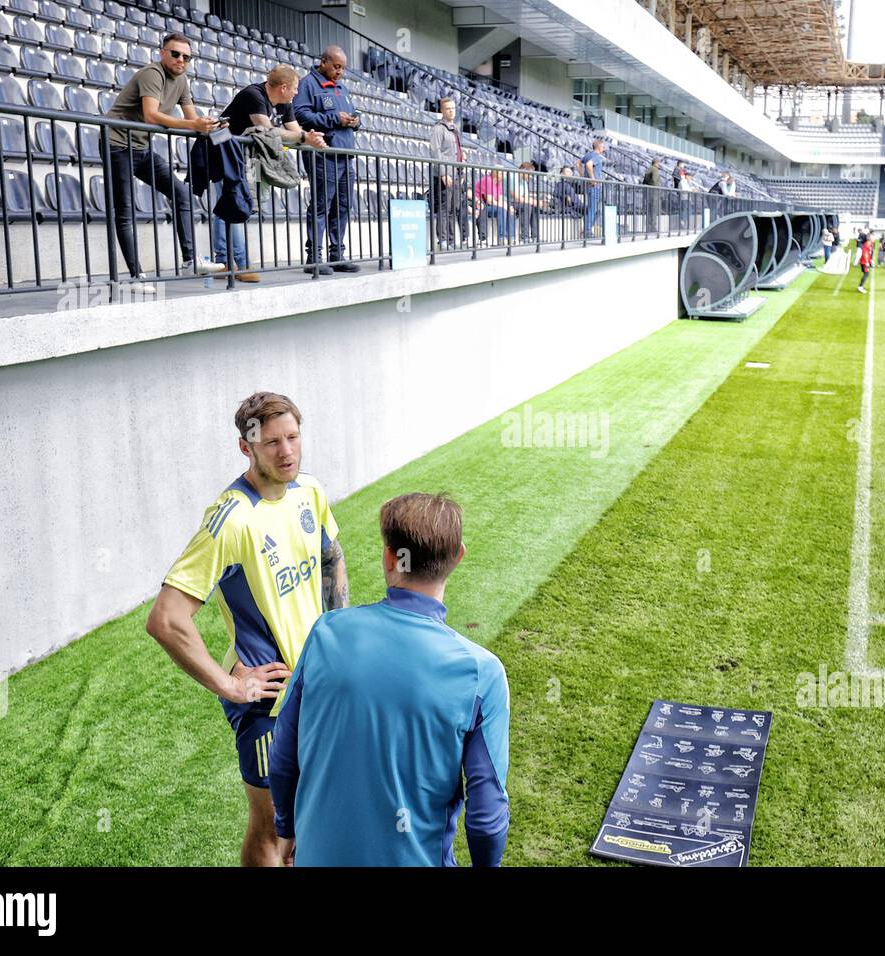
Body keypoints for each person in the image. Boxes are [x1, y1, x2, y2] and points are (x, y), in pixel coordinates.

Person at [145, 391, 349, 867]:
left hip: (318, 684)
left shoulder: (310, 492)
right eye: (273, 443)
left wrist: (339, 631)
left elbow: (330, 556)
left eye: (293, 438)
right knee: (272, 830)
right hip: (268, 703)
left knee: (311, 814)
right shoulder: (231, 519)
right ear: (247, 447)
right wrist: (230, 685)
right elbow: (167, 618)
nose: (287, 452)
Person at [269, 493, 510, 867]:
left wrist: (286, 828)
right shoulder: (482, 673)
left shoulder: (325, 633)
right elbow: (486, 815)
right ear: (458, 556)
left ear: (388, 557)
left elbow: (283, 754)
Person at [104, 32, 225, 291]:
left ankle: (190, 261)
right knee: (125, 211)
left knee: (182, 193)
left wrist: (208, 125)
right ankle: (136, 277)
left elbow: (191, 118)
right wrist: (193, 123)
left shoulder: (181, 80)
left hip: (141, 147)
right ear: (162, 53)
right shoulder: (152, 73)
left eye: (187, 57)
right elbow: (151, 115)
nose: (181, 60)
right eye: (176, 54)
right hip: (117, 145)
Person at [216, 65, 327, 281]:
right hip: (224, 151)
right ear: (284, 87)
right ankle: (237, 264)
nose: (297, 93)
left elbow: (296, 132)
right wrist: (304, 138)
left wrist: (312, 138)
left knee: (233, 205)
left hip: (245, 157)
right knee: (232, 205)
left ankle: (226, 262)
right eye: (295, 88)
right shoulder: (253, 94)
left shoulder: (286, 103)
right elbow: (267, 132)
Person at [293, 46, 362, 276]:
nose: (340, 72)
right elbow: (300, 115)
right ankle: (314, 257)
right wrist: (334, 118)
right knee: (321, 204)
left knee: (343, 206)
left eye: (342, 68)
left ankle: (337, 255)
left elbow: (351, 113)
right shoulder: (307, 84)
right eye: (336, 66)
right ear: (324, 61)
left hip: (345, 154)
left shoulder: (342, 87)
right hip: (323, 155)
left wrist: (355, 121)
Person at [429, 96, 464, 250]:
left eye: (453, 108)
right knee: (444, 208)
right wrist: (443, 173)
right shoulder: (439, 128)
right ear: (442, 111)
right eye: (448, 108)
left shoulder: (455, 128)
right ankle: (442, 240)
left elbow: (457, 152)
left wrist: (461, 174)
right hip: (444, 175)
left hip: (455, 174)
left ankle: (450, 240)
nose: (451, 111)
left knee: (453, 208)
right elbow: (435, 151)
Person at [470, 168, 514, 246]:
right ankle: (502, 237)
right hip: (481, 205)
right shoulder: (488, 180)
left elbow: (500, 199)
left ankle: (511, 237)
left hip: (490, 205)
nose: (504, 175)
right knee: (502, 210)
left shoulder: (499, 183)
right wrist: (504, 206)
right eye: (502, 173)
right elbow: (490, 200)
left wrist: (507, 206)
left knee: (509, 210)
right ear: (496, 174)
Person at [581, 137, 606, 239]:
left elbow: (578, 163)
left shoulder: (588, 155)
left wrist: (583, 175)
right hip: (594, 186)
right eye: (603, 147)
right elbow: (588, 164)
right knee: (593, 209)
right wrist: (592, 179)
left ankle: (588, 229)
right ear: (599, 147)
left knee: (595, 209)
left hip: (590, 186)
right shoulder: (597, 156)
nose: (604, 149)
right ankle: (587, 231)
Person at [511, 162, 539, 243]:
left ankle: (535, 236)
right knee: (528, 205)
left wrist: (534, 202)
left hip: (520, 202)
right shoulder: (513, 177)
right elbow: (515, 197)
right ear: (523, 170)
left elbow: (526, 197)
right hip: (510, 202)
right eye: (529, 173)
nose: (530, 176)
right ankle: (524, 236)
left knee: (533, 206)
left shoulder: (524, 181)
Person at [642, 158, 663, 234]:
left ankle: (649, 226)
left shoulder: (649, 169)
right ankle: (653, 226)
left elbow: (645, 181)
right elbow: (654, 180)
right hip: (654, 192)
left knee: (649, 209)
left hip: (649, 192)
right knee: (654, 209)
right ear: (657, 163)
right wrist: (659, 186)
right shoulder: (655, 170)